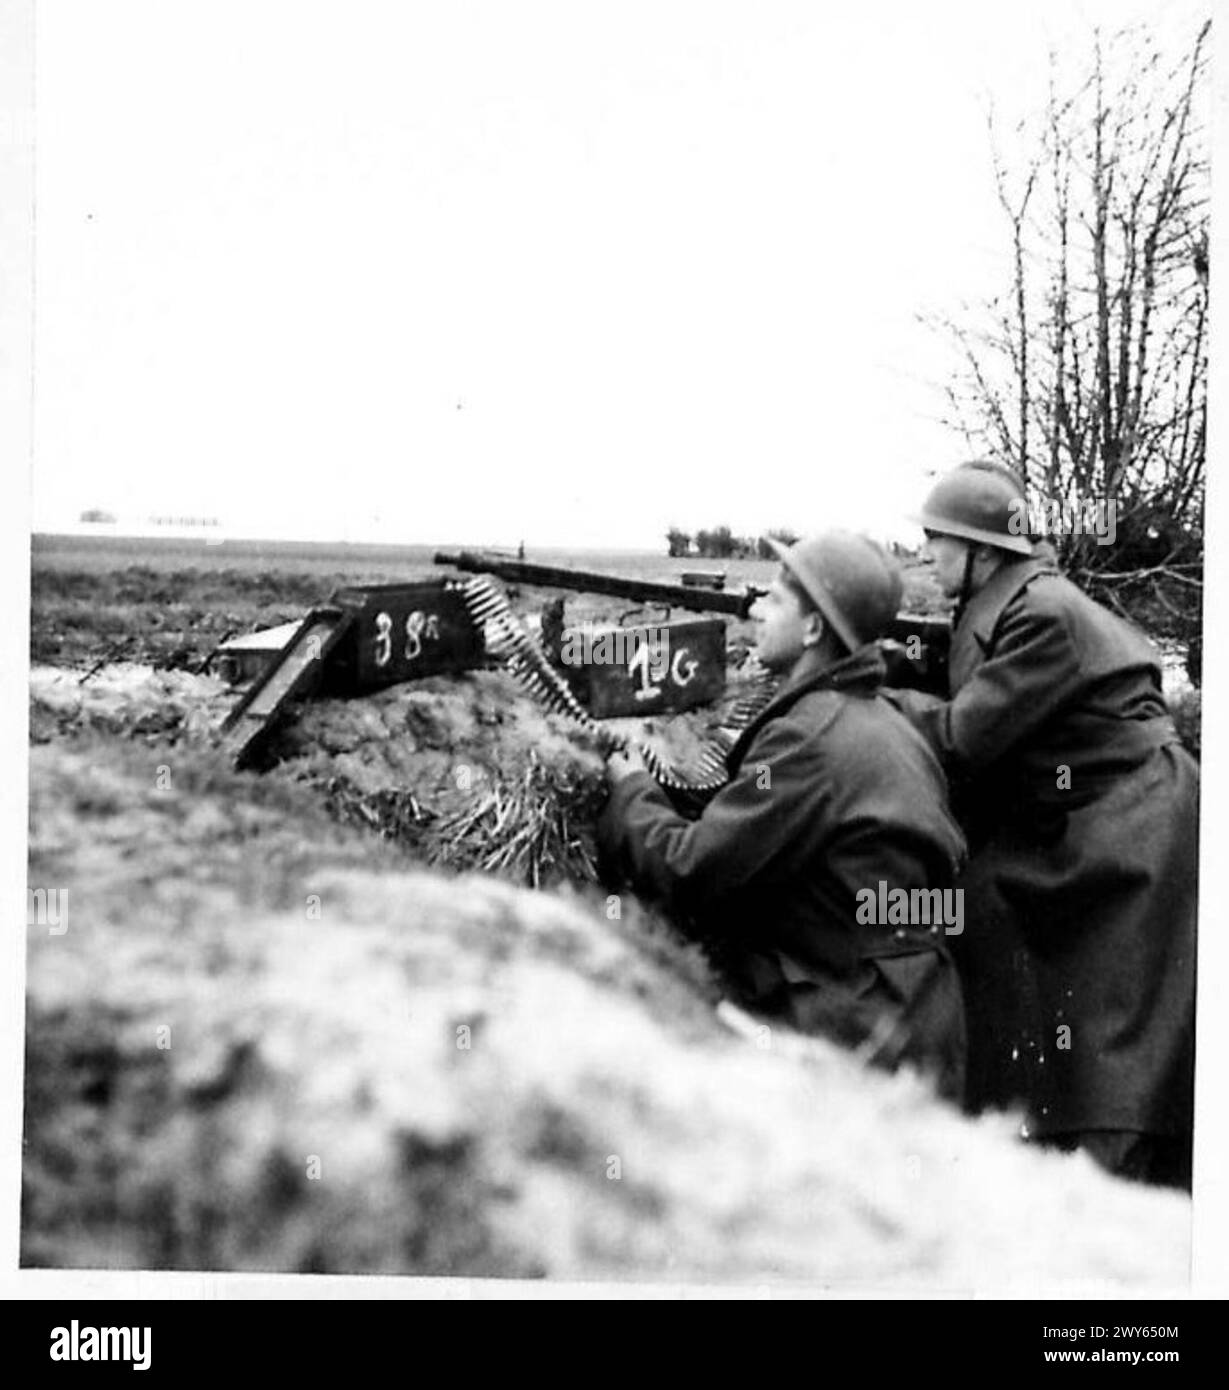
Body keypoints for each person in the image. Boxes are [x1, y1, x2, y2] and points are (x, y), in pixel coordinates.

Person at [890, 460, 1197, 1187]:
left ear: (984, 551)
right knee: (990, 918)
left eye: (939, 540)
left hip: (1135, 823)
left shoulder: (1042, 614)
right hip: (1083, 810)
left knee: (1115, 1017)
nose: (926, 555)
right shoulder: (1013, 601)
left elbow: (963, 737)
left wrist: (862, 695)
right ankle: (1027, 1131)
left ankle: (1114, 1175)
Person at [598, 531, 968, 1101]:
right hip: (914, 1015)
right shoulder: (883, 719)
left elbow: (691, 872)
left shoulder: (808, 737)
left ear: (815, 628)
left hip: (851, 1036)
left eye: (774, 599)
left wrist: (630, 793)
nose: (756, 611)